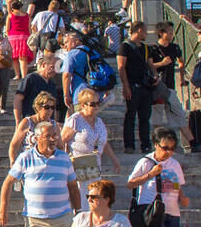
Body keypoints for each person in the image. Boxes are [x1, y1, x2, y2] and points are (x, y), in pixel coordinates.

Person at [0, 121, 80, 227]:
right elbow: (8, 182)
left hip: (63, 214)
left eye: (55, 135)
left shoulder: (64, 158)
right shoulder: (25, 157)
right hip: (34, 217)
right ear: (36, 138)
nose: (52, 139)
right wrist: (3, 209)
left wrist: (79, 212)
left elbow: (72, 186)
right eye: (47, 136)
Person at [61, 88, 121, 208]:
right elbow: (62, 141)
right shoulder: (75, 120)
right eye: (92, 104)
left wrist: (114, 160)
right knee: (82, 199)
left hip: (95, 165)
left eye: (98, 103)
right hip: (79, 165)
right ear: (83, 105)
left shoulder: (99, 121)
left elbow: (104, 143)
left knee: (95, 198)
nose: (96, 107)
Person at [149, 22, 192, 149]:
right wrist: (161, 63)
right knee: (157, 117)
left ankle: (192, 142)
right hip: (157, 87)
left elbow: (181, 62)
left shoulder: (175, 48)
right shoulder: (153, 49)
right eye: (169, 32)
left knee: (179, 113)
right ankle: (160, 144)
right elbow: (149, 65)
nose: (172, 34)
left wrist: (182, 78)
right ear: (161, 33)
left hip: (170, 86)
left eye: (172, 32)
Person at [117, 20, 155, 154]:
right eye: (145, 30)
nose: (146, 33)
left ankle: (146, 144)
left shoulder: (145, 48)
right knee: (130, 116)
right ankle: (129, 145)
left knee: (145, 117)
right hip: (132, 86)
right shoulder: (125, 47)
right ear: (139, 30)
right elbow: (121, 67)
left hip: (145, 87)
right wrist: (126, 86)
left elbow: (150, 65)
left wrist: (154, 76)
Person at [8, 91, 62, 165]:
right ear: (38, 107)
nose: (50, 110)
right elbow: (14, 145)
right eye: (47, 107)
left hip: (49, 163)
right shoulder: (27, 122)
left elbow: (60, 146)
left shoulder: (54, 125)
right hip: (30, 162)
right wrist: (12, 161)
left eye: (52, 108)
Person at [13, 53, 67, 125]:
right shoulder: (30, 79)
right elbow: (18, 98)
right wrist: (18, 120)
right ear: (44, 65)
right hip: (31, 121)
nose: (54, 71)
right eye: (52, 67)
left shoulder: (52, 84)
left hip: (47, 124)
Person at [5, 0, 31, 78]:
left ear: (12, 7)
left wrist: (8, 35)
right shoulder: (27, 15)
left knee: (14, 58)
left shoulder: (10, 15)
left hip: (13, 37)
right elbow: (29, 28)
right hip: (24, 37)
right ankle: (24, 76)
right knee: (23, 58)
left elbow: (7, 29)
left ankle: (17, 75)